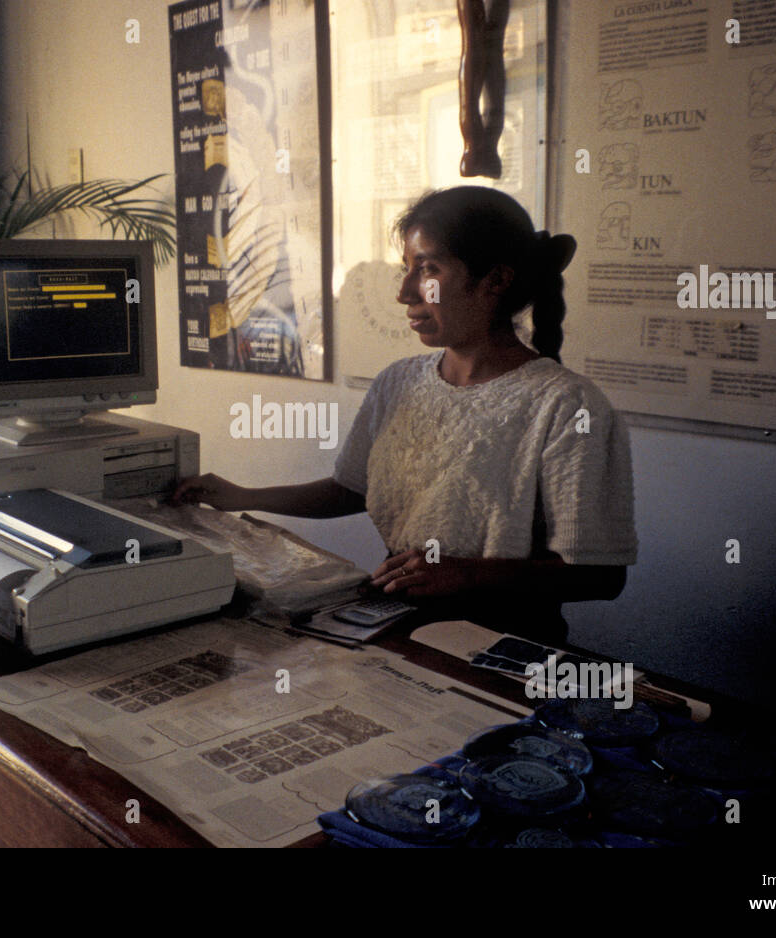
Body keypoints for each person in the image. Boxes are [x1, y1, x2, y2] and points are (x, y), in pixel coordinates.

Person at [171, 187, 637, 644]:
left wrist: (467, 574)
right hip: (396, 623)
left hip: (504, 642)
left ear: (495, 280)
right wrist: (240, 495)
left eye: (428, 269)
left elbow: (599, 575)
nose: (404, 292)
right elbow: (350, 490)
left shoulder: (566, 404)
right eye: (406, 269)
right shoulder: (399, 382)